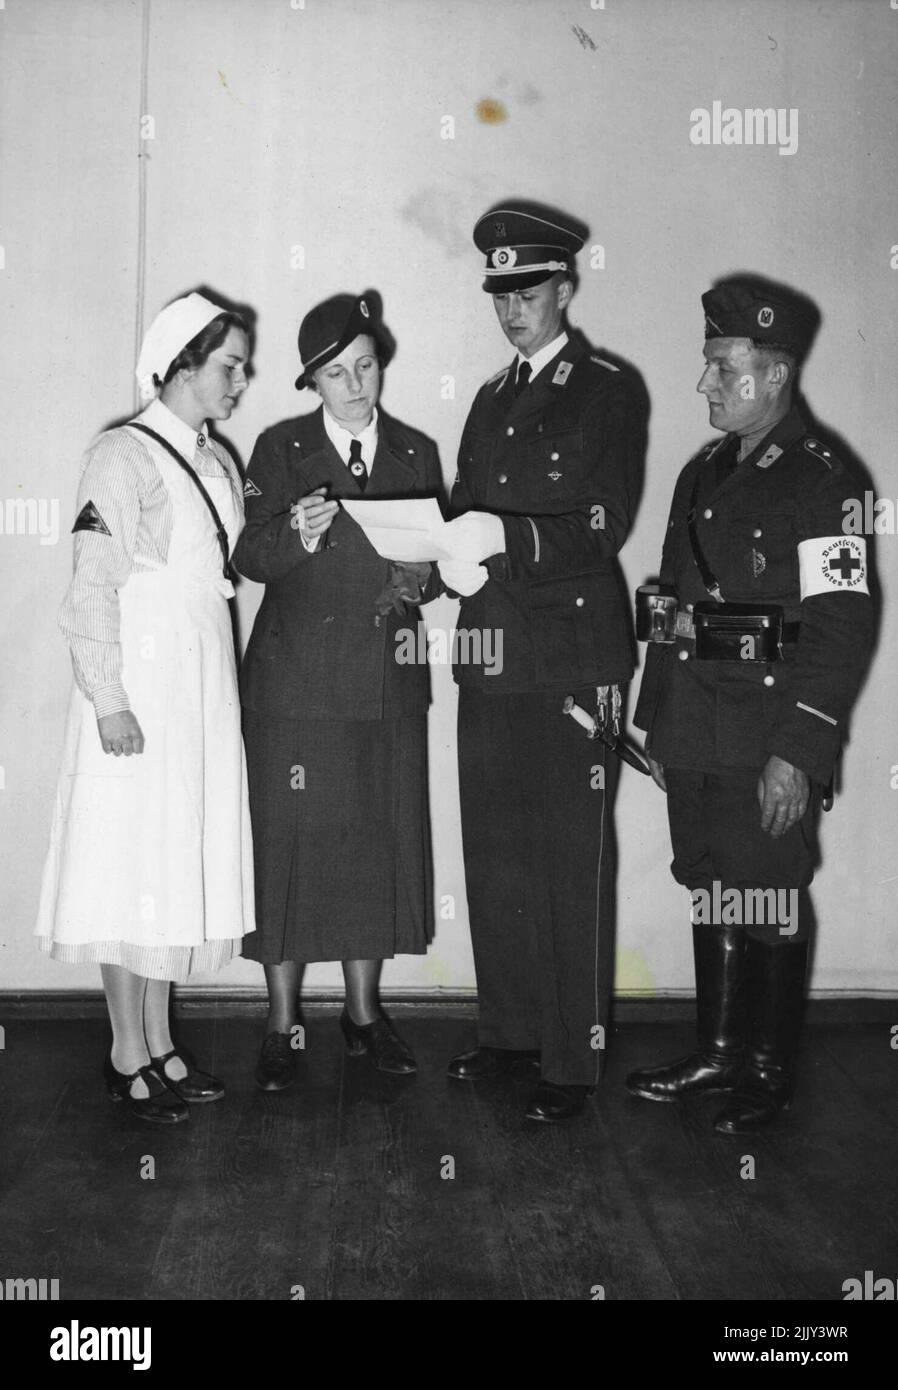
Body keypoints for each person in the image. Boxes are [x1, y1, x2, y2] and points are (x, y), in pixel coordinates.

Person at [626, 277, 875, 1132]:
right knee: (711, 887)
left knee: (767, 894)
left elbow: (841, 628)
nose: (705, 384)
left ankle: (766, 1073)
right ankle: (717, 1055)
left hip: (765, 734)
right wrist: (655, 717)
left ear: (773, 375)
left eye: (721, 368)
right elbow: (672, 609)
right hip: (695, 727)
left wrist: (798, 753)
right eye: (707, 367)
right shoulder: (701, 472)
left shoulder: (826, 479)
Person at [437, 204, 647, 1123]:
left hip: (569, 657)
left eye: (528, 290)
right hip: (489, 654)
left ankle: (572, 1062)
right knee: (496, 855)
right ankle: (511, 1033)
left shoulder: (607, 388)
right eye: (501, 292)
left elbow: (605, 523)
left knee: (568, 861)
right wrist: (436, 556)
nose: (512, 307)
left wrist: (500, 535)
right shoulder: (489, 398)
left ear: (565, 286)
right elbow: (463, 515)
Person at [36, 291, 256, 1124]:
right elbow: (92, 586)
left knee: (171, 860)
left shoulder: (215, 460)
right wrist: (110, 700)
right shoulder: (119, 456)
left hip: (199, 691)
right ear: (183, 365)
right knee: (128, 866)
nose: (241, 378)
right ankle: (126, 1050)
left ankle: (163, 1042)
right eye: (230, 364)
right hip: (137, 693)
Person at [234, 292, 442, 1091]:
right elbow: (250, 557)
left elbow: (431, 569)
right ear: (312, 384)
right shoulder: (278, 448)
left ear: (380, 364)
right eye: (334, 374)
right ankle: (282, 1025)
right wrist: (299, 531)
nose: (354, 385)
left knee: (373, 848)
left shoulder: (417, 452)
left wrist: (427, 580)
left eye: (364, 366)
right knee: (287, 851)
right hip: (293, 691)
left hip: (385, 684)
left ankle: (363, 1016)